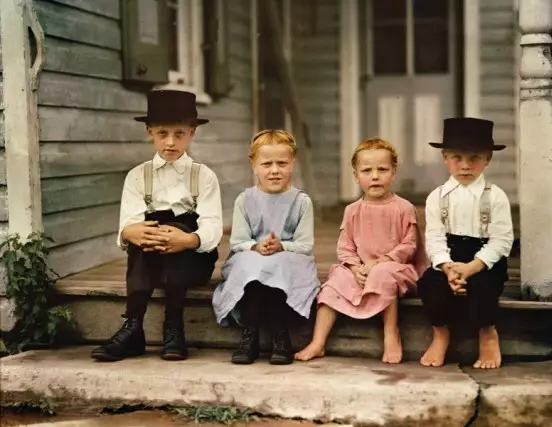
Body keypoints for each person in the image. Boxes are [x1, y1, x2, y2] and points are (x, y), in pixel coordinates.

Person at [91, 90, 223, 362]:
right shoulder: (138, 176)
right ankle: (133, 327)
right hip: (149, 258)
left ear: (191, 133)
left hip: (192, 259)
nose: (170, 142)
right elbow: (127, 225)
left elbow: (212, 226)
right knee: (144, 233)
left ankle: (173, 325)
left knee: (175, 226)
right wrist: (131, 232)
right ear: (150, 132)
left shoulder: (204, 176)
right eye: (162, 133)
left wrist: (188, 240)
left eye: (179, 134)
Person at [295, 138, 427, 364]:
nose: (375, 176)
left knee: (383, 273)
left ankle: (390, 333)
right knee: (335, 279)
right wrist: (354, 267)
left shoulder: (404, 208)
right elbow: (345, 246)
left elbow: (409, 245)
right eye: (367, 170)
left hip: (398, 270)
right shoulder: (352, 210)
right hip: (361, 270)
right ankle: (318, 342)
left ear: (393, 172)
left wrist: (382, 261)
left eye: (382, 169)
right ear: (356, 175)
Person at [212, 129, 320, 365]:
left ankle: (280, 334)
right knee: (253, 266)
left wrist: (282, 245)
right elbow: (238, 241)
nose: (274, 170)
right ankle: (250, 333)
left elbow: (304, 244)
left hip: (289, 257)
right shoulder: (245, 200)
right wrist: (256, 246)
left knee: (278, 266)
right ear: (254, 165)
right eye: (266, 164)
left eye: (282, 163)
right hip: (251, 255)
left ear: (293, 163)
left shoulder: (301, 202)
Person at [417, 117, 514, 369]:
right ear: (445, 157)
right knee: (430, 284)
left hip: (484, 260)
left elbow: (502, 240)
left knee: (484, 286)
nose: (465, 166)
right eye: (457, 158)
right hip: (450, 258)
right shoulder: (437, 197)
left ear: (487, 159)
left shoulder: (495, 196)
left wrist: (472, 268)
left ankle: (487, 334)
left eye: (474, 158)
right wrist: (447, 267)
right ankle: (441, 334)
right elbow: (435, 238)